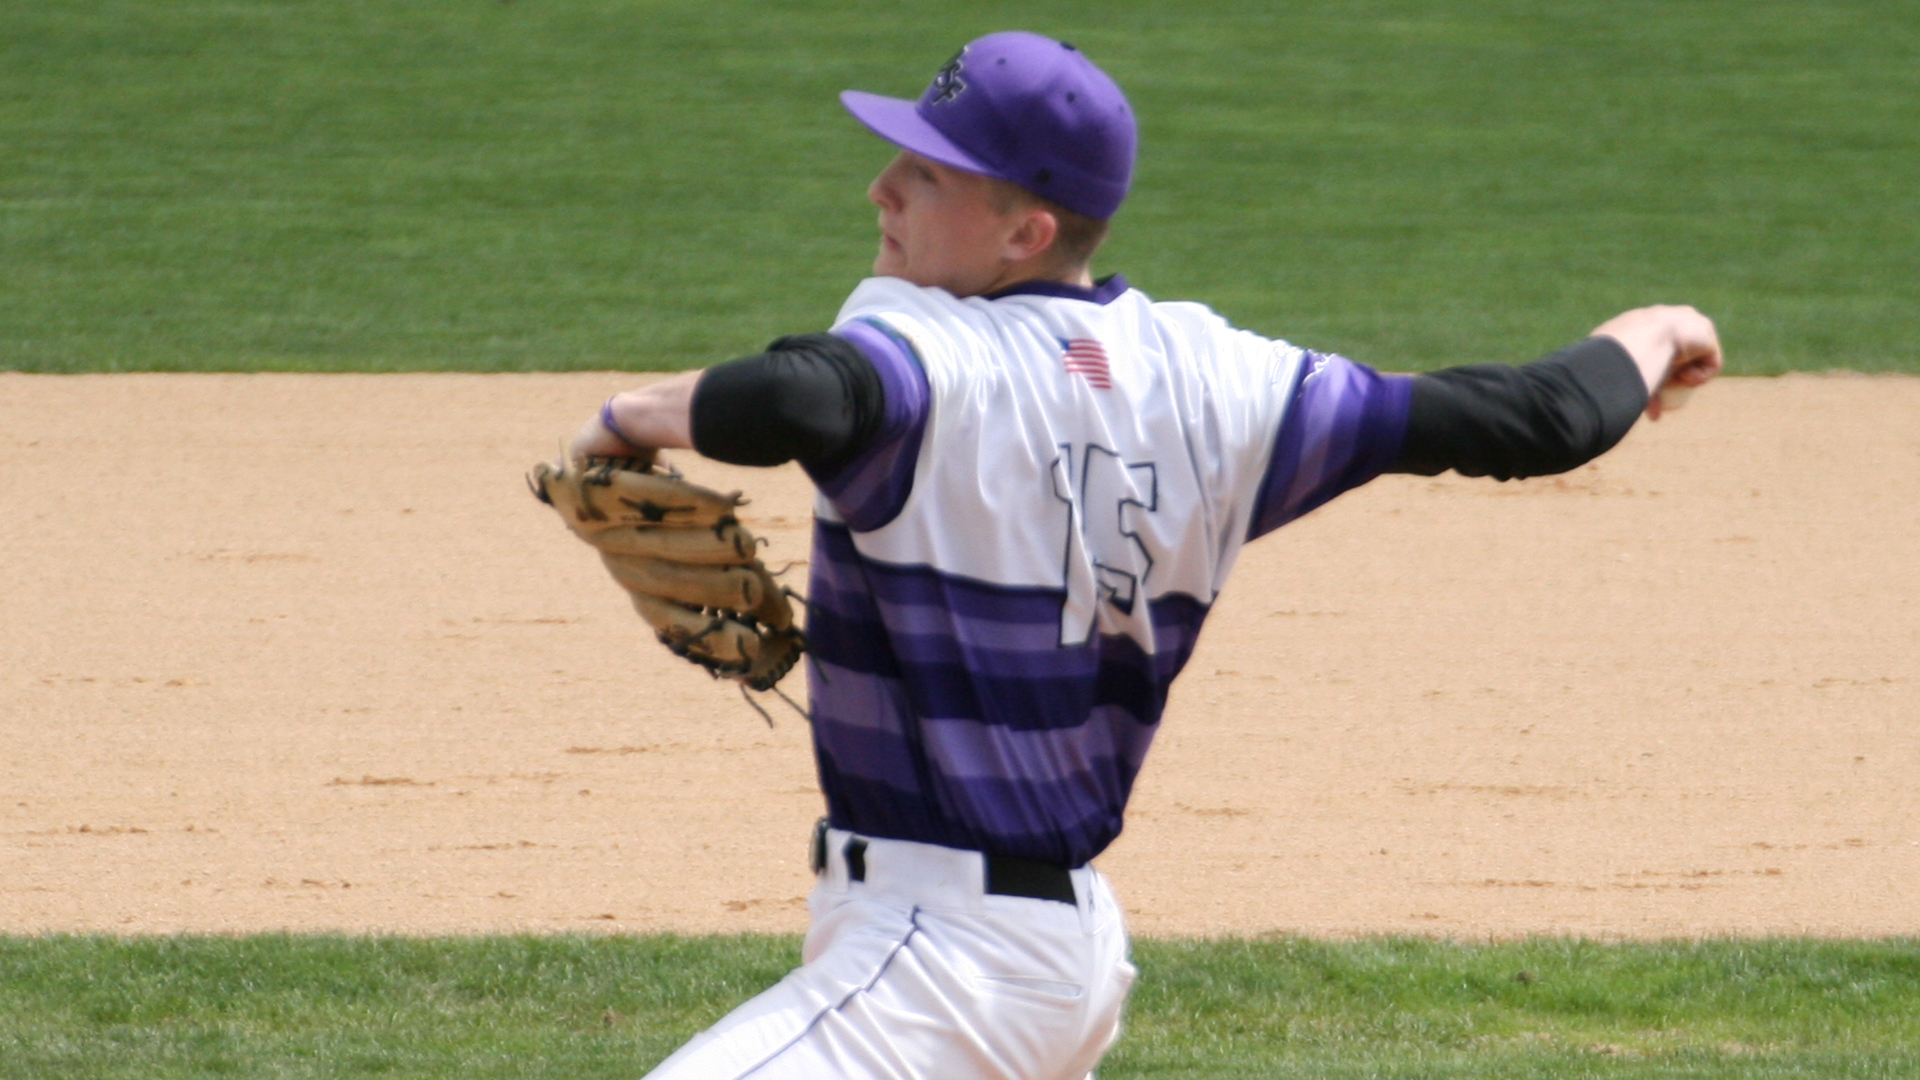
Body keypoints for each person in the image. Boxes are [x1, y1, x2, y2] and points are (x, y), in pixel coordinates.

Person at [569, 30, 1722, 1080]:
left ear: (1026, 231)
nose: (880, 190)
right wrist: (1657, 328)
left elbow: (793, 398)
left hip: (939, 968)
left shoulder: (930, 355)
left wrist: (627, 418)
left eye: (923, 173)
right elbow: (1531, 421)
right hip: (1054, 956)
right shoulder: (1225, 382)